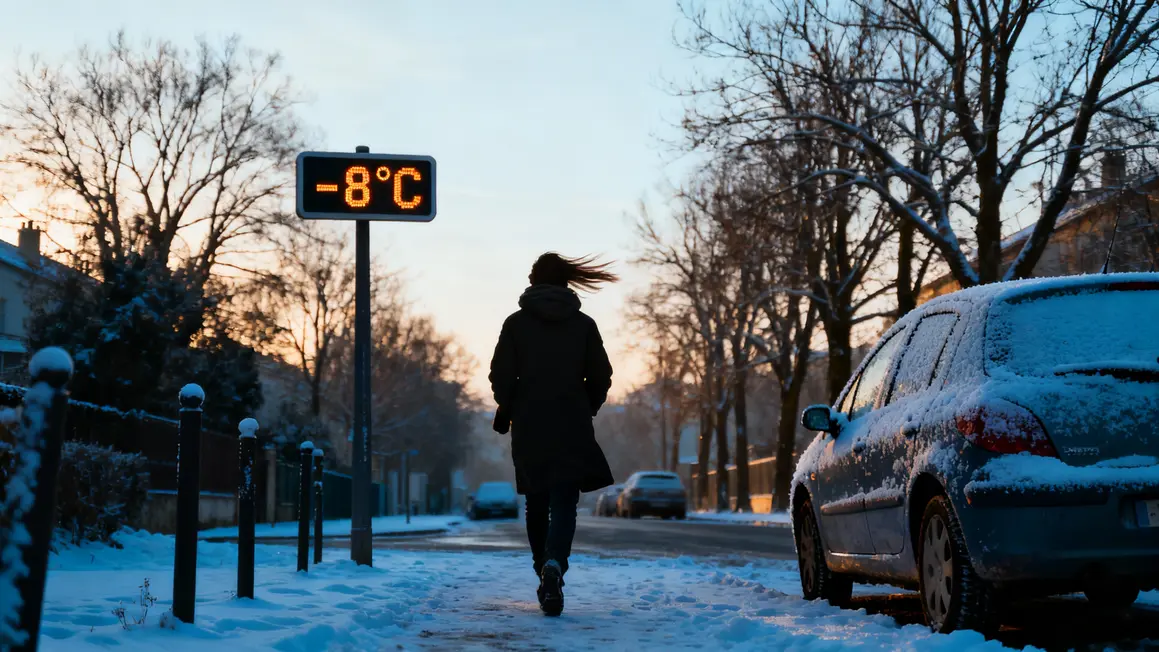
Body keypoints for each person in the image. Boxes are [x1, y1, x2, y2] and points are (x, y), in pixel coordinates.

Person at [488, 252, 617, 617]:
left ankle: (543, 568)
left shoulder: (516, 324)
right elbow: (601, 375)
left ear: (534, 281)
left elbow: (501, 375)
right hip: (571, 424)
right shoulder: (583, 324)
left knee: (536, 501)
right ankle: (555, 563)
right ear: (566, 282)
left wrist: (510, 406)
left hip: (530, 424)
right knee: (564, 502)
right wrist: (586, 405)